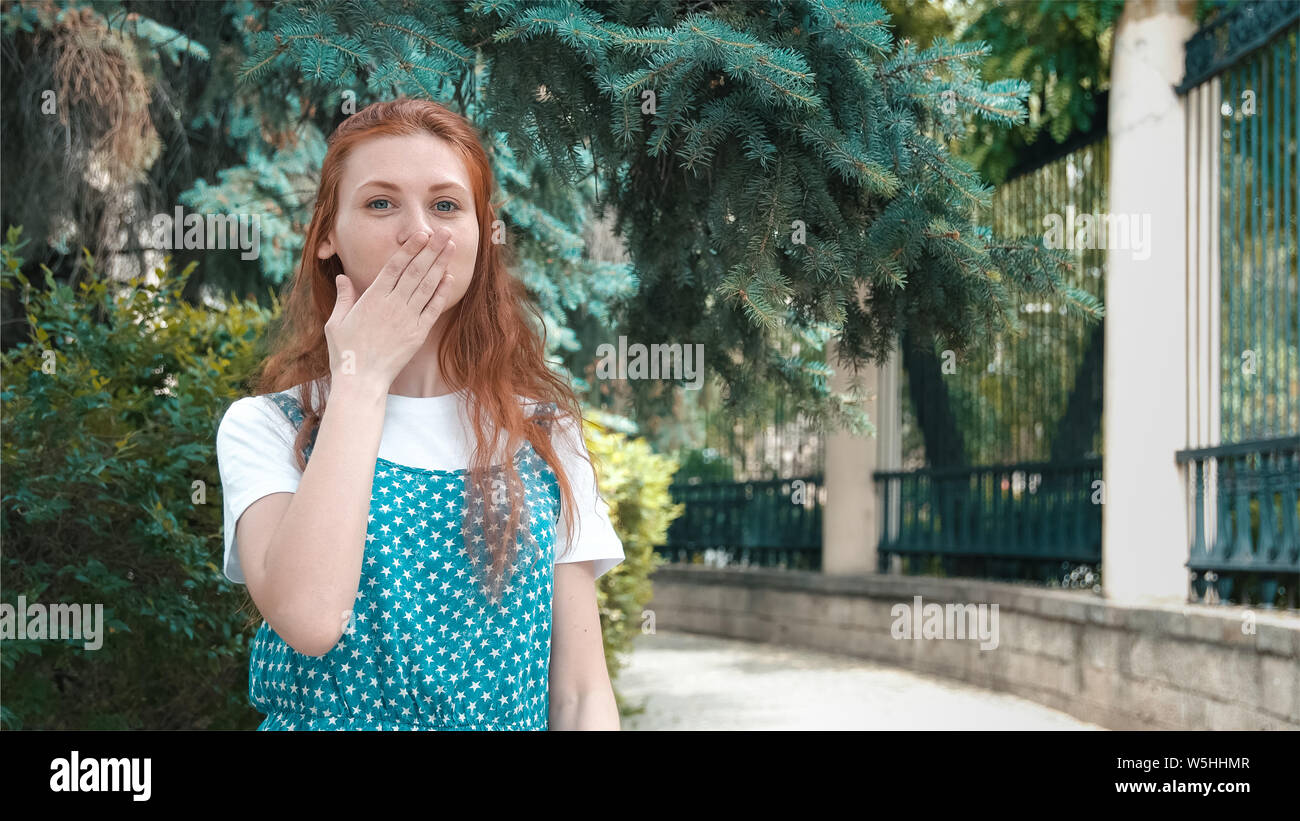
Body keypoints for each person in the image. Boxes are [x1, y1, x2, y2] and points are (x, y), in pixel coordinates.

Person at [215, 97, 624, 731]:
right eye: (381, 203)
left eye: (446, 205)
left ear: (483, 235)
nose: (420, 232)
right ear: (327, 235)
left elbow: (579, 695)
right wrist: (361, 379)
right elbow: (310, 619)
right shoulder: (267, 425)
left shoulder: (544, 434)